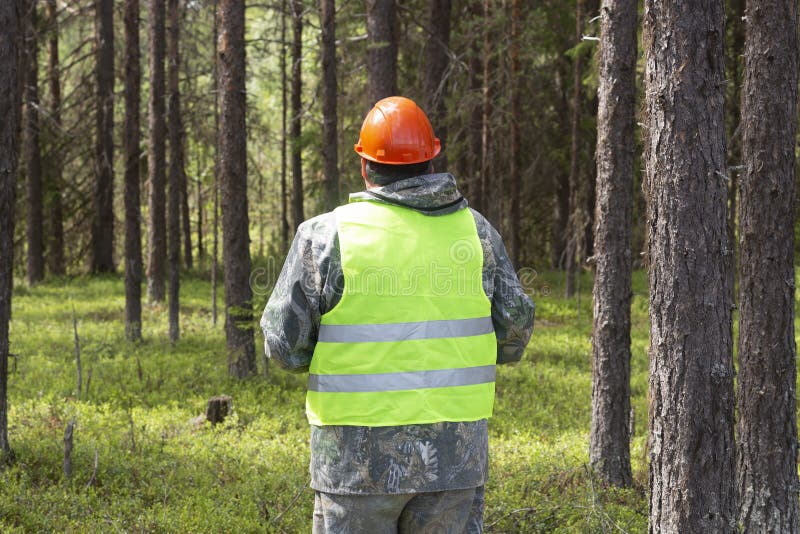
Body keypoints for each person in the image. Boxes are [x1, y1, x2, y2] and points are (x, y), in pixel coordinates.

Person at [260, 96, 534, 533]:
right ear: (431, 162)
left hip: (355, 463)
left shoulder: (326, 235)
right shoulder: (476, 233)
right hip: (454, 459)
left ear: (365, 166)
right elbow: (515, 332)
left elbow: (283, 347)